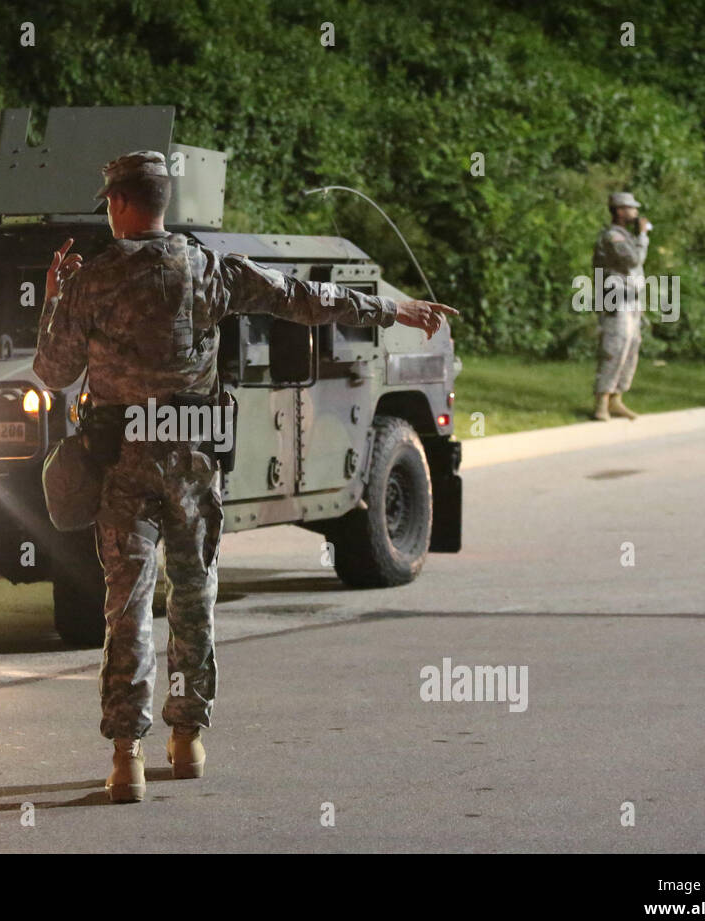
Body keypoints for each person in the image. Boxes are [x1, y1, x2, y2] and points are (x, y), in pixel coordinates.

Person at [33, 150, 456, 802]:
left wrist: (57, 293)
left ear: (117, 205)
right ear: (162, 203)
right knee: (194, 599)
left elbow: (53, 371)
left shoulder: (92, 279)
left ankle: (126, 759)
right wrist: (394, 311)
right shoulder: (208, 269)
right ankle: (188, 739)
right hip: (195, 466)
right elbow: (303, 299)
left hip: (123, 467)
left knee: (127, 608)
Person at [591, 191, 651, 421]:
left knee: (631, 346)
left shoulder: (625, 236)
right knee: (614, 347)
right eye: (631, 208)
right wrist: (643, 236)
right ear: (619, 211)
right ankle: (601, 402)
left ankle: (617, 398)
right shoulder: (612, 237)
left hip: (631, 297)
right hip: (615, 297)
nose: (636, 212)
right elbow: (633, 260)